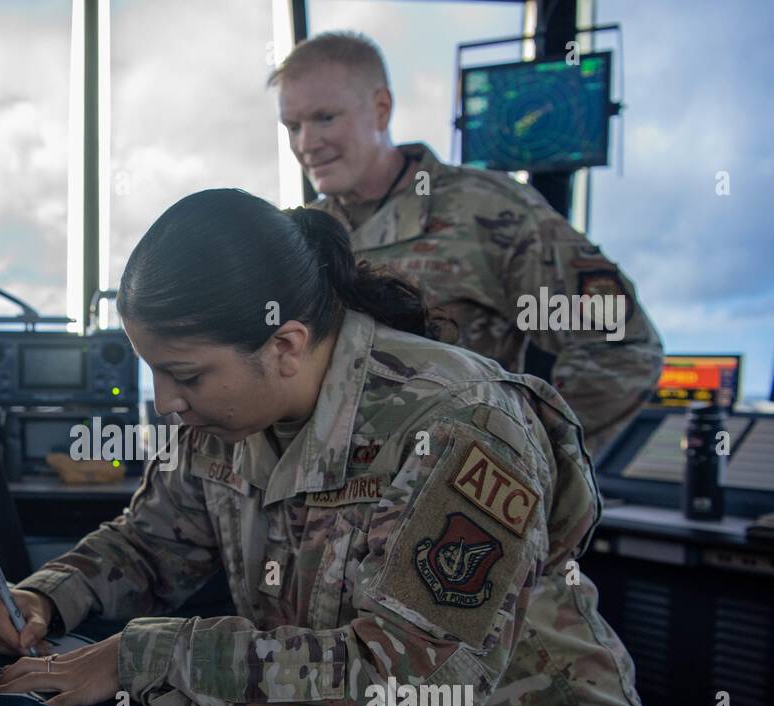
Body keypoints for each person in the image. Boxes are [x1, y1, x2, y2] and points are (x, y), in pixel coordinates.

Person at [0, 188, 690, 706]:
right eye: (154, 371)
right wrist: (47, 596)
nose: (165, 400)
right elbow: (152, 542)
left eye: (185, 374)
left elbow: (411, 683)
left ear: (285, 344)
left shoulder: (457, 421)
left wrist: (143, 656)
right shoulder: (220, 425)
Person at [272, 31, 662, 458]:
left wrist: (528, 457)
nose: (306, 143)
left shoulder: (487, 210)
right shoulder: (300, 235)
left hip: (457, 505)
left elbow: (622, 346)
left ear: (381, 108)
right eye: (293, 126)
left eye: (325, 118)